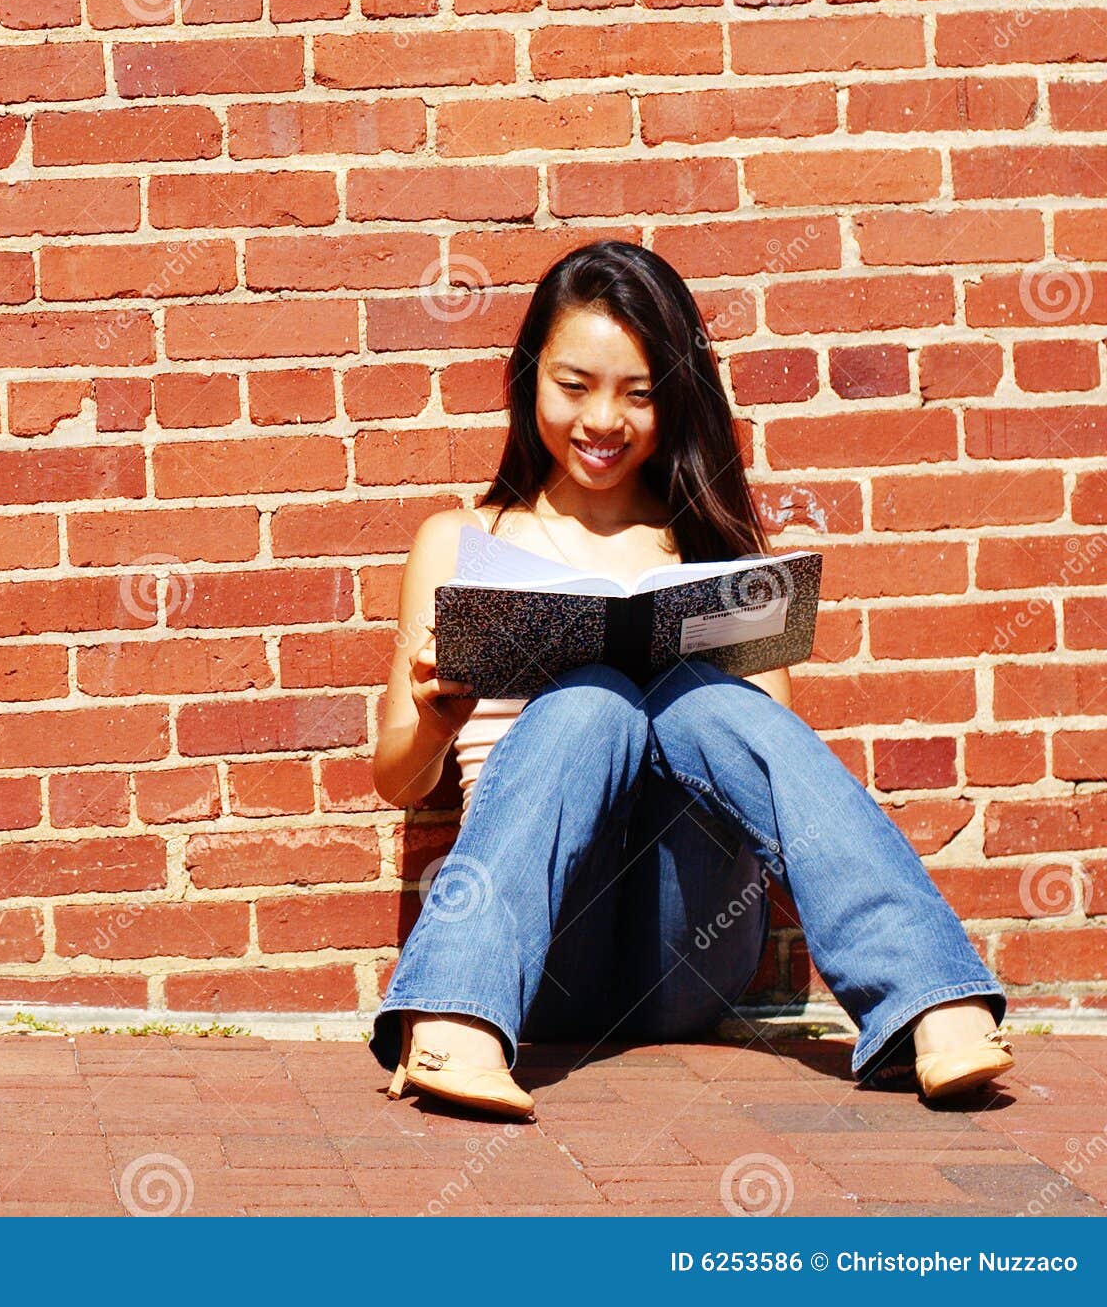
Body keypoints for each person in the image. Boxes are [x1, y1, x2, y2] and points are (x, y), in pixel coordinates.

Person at [369, 240, 1013, 1121]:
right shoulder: (456, 542)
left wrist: (690, 677)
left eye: (640, 394)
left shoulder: (710, 553)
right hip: (535, 957)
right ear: (528, 381)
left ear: (675, 398)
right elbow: (396, 778)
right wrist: (440, 721)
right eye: (574, 386)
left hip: (686, 952)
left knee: (708, 704)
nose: (604, 421)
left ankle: (931, 1002)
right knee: (591, 702)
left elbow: (774, 783)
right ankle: (454, 1016)